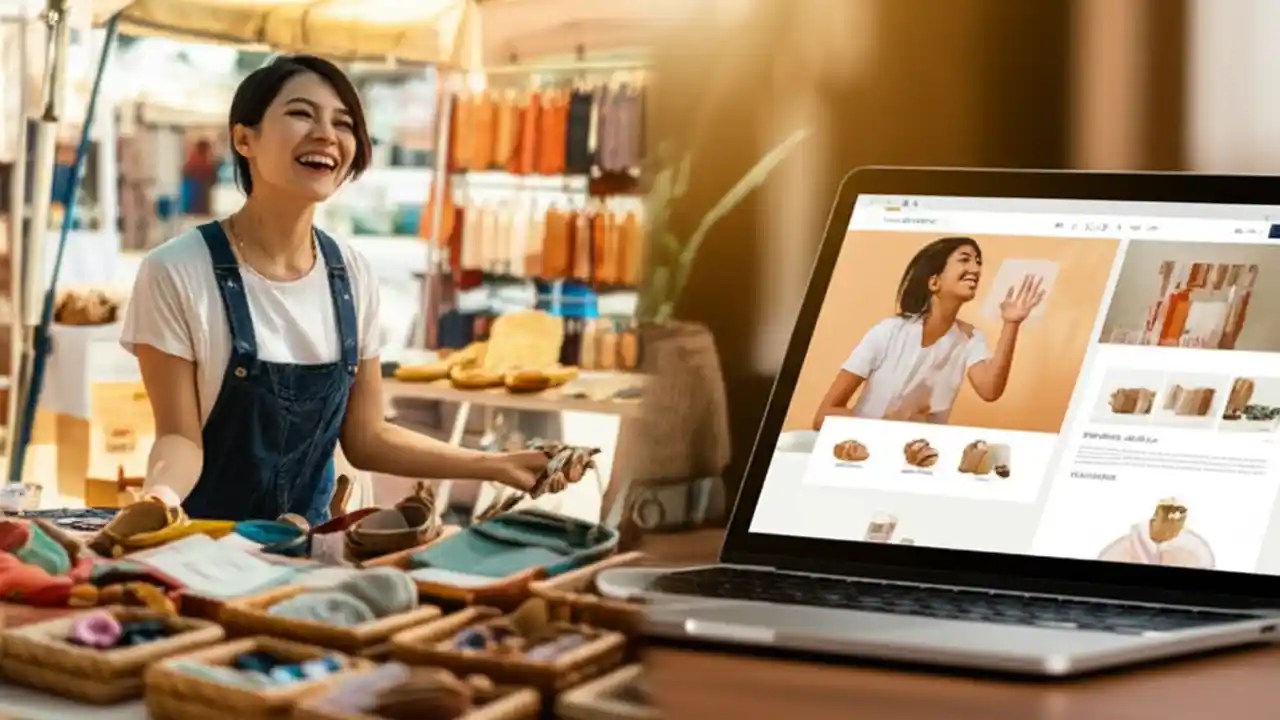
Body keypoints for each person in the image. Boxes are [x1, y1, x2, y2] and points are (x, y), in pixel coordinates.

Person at [120, 55, 547, 524]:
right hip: (203, 547)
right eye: (302, 113)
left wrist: (496, 466)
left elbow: (367, 437)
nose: (326, 134)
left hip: (312, 546)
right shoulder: (176, 271)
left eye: (343, 123)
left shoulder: (353, 276)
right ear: (245, 138)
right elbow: (179, 438)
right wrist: (160, 498)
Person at [813, 236, 1044, 429]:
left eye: (977, 262)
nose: (976, 269)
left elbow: (990, 390)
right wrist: (884, 425)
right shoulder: (888, 332)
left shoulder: (970, 339)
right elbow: (822, 416)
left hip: (918, 460)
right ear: (934, 282)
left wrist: (1011, 324)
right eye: (965, 260)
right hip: (859, 450)